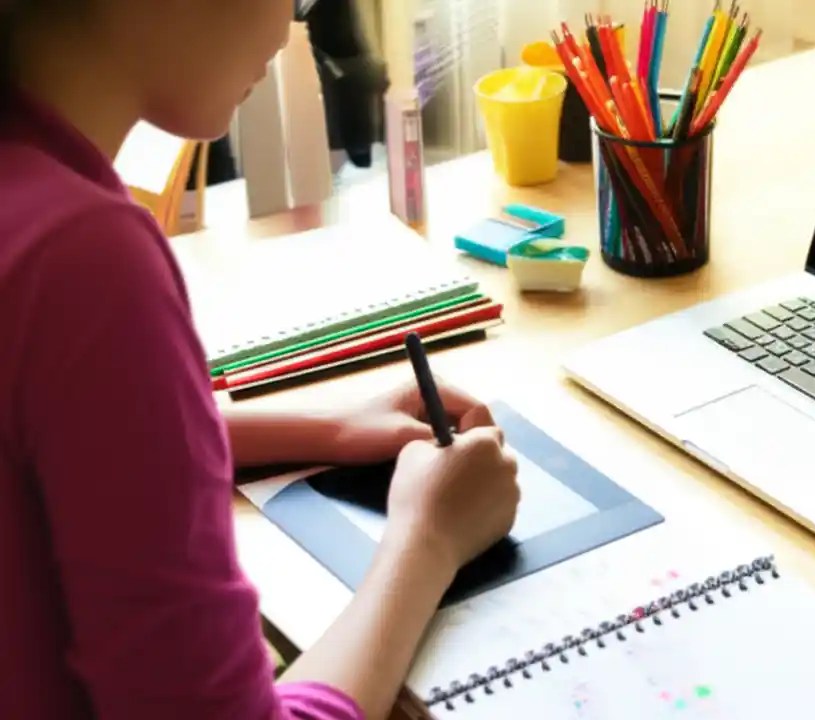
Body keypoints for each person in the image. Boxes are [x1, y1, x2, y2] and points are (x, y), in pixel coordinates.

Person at [0, 1, 521, 719]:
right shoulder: (81, 259)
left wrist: (317, 426)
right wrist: (427, 542)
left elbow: (54, 444)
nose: (291, 24)